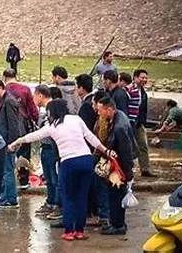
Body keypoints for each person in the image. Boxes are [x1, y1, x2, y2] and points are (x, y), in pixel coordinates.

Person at [9, 99, 113, 241]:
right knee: (82, 197)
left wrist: (15, 142)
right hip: (86, 160)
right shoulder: (76, 119)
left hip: (69, 163)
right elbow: (90, 137)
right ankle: (79, 231)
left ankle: (69, 231)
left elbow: (32, 137)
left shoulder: (52, 126)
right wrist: (106, 151)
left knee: (68, 197)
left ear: (52, 112)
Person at [96, 97, 135, 235]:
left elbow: (126, 151)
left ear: (109, 109)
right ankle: (118, 223)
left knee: (115, 195)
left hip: (119, 167)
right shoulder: (120, 117)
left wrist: (127, 172)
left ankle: (117, 225)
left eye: (100, 110)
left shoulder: (118, 127)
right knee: (115, 194)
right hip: (118, 165)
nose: (98, 113)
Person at [76, 74, 110, 227]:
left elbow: (98, 138)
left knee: (99, 185)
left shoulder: (102, 119)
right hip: (98, 154)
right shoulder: (102, 117)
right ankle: (101, 214)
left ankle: (102, 215)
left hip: (99, 155)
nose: (94, 108)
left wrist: (96, 152)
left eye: (96, 105)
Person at [0, 78, 24, 208]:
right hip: (3, 141)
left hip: (8, 142)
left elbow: (14, 124)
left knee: (7, 170)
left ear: (0, 87)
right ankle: (6, 196)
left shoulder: (9, 101)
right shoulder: (3, 100)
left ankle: (10, 198)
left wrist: (12, 143)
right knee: (6, 169)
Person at [32, 85, 62, 220]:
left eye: (34, 95)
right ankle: (50, 202)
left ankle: (57, 204)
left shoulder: (53, 110)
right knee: (49, 178)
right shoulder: (44, 112)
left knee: (54, 178)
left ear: (40, 95)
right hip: (44, 147)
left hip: (52, 148)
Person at [133, 69, 156, 177]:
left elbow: (143, 110)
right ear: (135, 78)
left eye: (146, 78)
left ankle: (145, 169)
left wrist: (142, 122)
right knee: (127, 146)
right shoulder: (128, 90)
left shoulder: (144, 93)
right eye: (142, 77)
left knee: (143, 145)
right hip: (129, 123)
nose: (144, 80)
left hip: (139, 123)